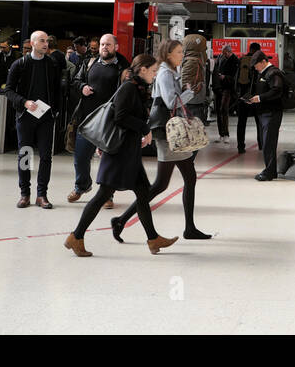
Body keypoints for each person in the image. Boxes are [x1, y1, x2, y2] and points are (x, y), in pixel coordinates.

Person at [64, 53, 177, 256]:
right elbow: (120, 116)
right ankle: (76, 236)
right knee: (102, 195)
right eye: (153, 70)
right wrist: (145, 129)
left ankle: (153, 239)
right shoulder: (129, 87)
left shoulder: (137, 87)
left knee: (143, 192)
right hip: (119, 152)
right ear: (142, 70)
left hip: (128, 151)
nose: (155, 74)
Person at [109, 39, 210, 242]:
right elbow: (171, 101)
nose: (182, 55)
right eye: (179, 52)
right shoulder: (164, 72)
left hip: (170, 132)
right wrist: (191, 92)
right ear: (168, 54)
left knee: (180, 180)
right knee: (162, 184)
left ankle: (189, 227)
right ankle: (121, 220)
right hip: (165, 132)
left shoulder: (170, 72)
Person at [5, 30, 63, 209]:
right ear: (32, 43)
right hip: (25, 116)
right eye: (42, 41)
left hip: (46, 117)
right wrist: (24, 102)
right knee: (25, 154)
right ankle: (25, 194)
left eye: (47, 41)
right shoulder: (20, 64)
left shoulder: (52, 64)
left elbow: (57, 89)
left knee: (46, 156)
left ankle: (42, 195)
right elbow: (8, 90)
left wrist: (56, 110)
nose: (46, 44)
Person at [67, 33, 124, 205]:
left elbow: (125, 92)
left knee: (108, 160)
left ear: (116, 47)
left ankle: (107, 194)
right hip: (87, 120)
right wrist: (82, 86)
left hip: (109, 121)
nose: (104, 47)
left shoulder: (122, 67)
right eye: (102, 44)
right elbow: (75, 80)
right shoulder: (89, 63)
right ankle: (82, 186)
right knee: (81, 157)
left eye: (108, 44)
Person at [245, 51, 287, 181]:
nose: (256, 68)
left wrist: (260, 98)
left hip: (272, 113)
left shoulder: (274, 73)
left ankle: (269, 172)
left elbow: (277, 90)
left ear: (264, 62)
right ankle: (271, 170)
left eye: (257, 65)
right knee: (266, 142)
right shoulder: (263, 73)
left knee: (269, 142)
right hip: (264, 113)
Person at [234, 41, 262, 153]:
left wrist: (237, 94)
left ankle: (240, 146)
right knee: (259, 122)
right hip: (255, 96)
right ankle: (261, 144)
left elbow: (236, 79)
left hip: (243, 95)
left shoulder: (242, 60)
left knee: (241, 122)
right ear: (258, 50)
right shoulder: (259, 62)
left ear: (249, 49)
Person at [211, 44, 238, 144]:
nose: (223, 54)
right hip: (218, 87)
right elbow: (215, 70)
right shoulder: (220, 58)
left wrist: (225, 77)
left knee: (224, 109)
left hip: (228, 88)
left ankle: (226, 134)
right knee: (218, 110)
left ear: (228, 51)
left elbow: (235, 76)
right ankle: (221, 134)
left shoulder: (235, 61)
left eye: (224, 53)